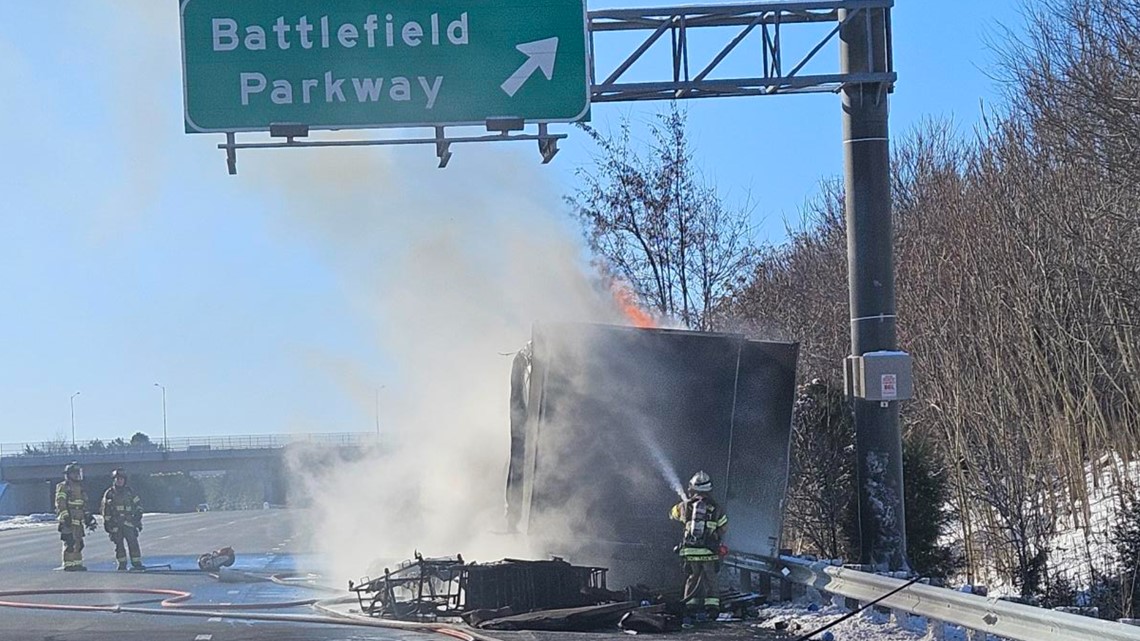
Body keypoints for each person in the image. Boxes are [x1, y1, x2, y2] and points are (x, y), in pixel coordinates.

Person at [669, 471, 728, 616]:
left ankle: (691, 606)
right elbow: (724, 527)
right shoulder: (716, 507)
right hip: (709, 551)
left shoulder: (685, 506)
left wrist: (683, 508)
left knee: (692, 578)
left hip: (690, 551)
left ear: (692, 488)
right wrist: (715, 536)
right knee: (710, 579)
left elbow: (672, 514)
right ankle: (712, 608)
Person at [101, 469, 146, 571]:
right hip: (116, 524)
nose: (119, 481)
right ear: (114, 480)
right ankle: (122, 564)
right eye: (117, 479)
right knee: (119, 545)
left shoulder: (130, 492)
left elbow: (138, 504)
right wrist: (107, 523)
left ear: (124, 480)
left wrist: (138, 515)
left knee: (133, 542)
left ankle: (136, 563)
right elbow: (105, 509)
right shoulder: (109, 493)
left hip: (129, 523)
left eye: (121, 479)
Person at [55, 461, 96, 571]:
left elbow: (84, 504)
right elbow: (60, 502)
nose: (77, 475)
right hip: (68, 520)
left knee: (79, 543)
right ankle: (68, 564)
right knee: (69, 542)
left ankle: (77, 564)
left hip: (78, 521)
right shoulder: (64, 487)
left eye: (78, 473)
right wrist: (65, 516)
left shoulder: (80, 488)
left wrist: (88, 517)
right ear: (68, 474)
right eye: (74, 473)